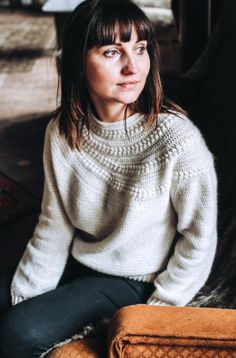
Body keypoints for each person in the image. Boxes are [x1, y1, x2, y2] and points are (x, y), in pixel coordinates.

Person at [0, 0, 217, 357]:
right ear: (78, 63)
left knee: (17, 334)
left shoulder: (177, 141)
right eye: (113, 51)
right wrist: (26, 296)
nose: (134, 67)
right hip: (81, 258)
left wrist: (156, 313)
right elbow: (55, 224)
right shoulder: (62, 132)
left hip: (136, 282)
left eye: (141, 49)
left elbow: (199, 240)